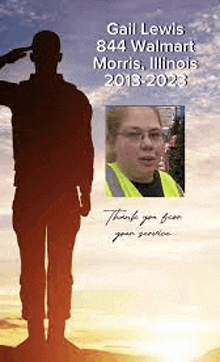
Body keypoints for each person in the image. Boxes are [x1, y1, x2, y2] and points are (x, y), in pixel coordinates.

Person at [0, 31, 94, 358]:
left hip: (38, 195)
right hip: (50, 195)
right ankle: (47, 338)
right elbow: (87, 149)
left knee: (43, 269)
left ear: (34, 57)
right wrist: (86, 190)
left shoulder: (27, 94)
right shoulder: (73, 98)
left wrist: (4, 59)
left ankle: (46, 338)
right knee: (52, 269)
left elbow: (85, 146)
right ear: (59, 58)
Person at [105, 106, 183, 197]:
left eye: (155, 134)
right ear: (111, 142)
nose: (148, 144)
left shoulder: (169, 182)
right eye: (133, 134)